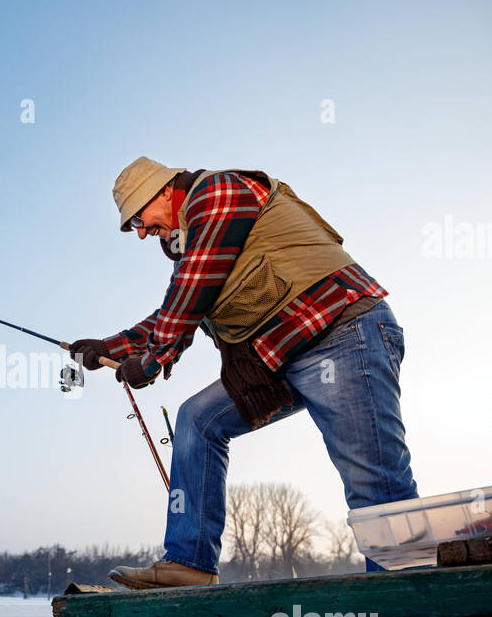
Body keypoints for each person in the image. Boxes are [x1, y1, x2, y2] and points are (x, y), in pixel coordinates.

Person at [70, 157, 418, 589]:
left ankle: (407, 595)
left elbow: (190, 293)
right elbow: (180, 308)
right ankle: (189, 564)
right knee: (198, 420)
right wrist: (112, 347)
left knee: (373, 483)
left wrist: (155, 358)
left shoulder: (215, 193)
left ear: (163, 192)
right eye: (132, 227)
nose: (140, 232)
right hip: (281, 354)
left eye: (139, 219)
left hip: (342, 332)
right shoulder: (196, 244)